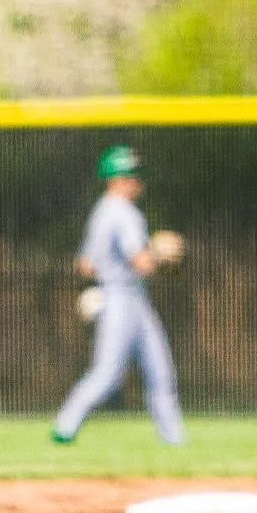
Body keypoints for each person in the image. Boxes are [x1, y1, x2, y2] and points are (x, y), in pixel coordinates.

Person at [52, 145, 185, 446]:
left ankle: (175, 440)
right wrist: (158, 252)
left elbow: (85, 265)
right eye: (131, 175)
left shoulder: (101, 212)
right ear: (117, 179)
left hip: (125, 297)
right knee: (110, 373)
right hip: (123, 299)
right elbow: (143, 263)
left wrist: (105, 281)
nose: (137, 181)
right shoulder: (124, 213)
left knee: (159, 369)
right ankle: (65, 425)